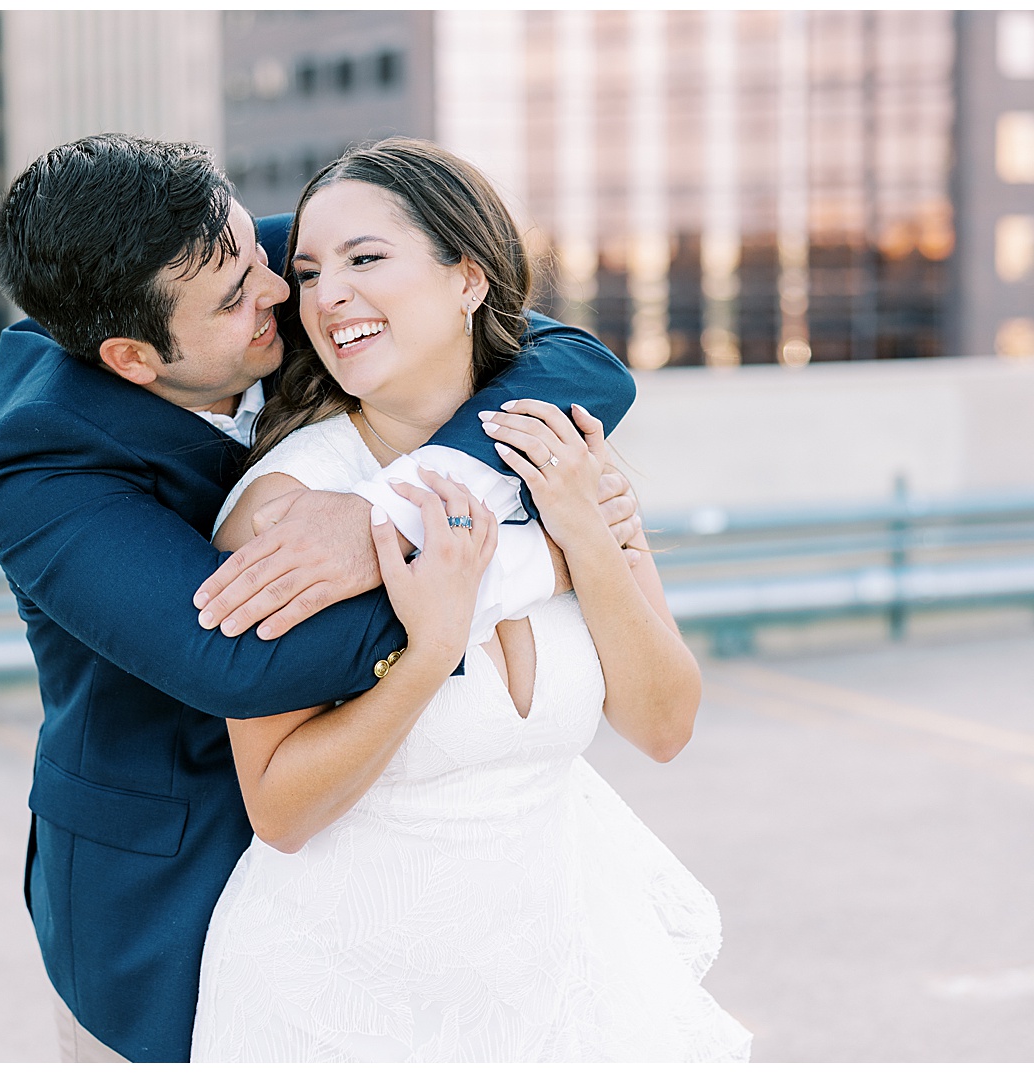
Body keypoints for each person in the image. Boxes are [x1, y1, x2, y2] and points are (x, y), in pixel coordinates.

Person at [0, 133, 643, 1062]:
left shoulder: (225, 259)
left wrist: (387, 506)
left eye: (262, 255)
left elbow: (569, 355)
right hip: (167, 891)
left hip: (386, 865)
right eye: (241, 294)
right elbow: (245, 658)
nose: (286, 294)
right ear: (132, 357)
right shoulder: (41, 471)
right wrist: (540, 558)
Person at [190, 138, 752, 1062]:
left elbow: (662, 725)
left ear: (469, 279)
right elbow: (281, 810)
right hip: (345, 1000)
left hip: (564, 977)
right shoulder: (289, 509)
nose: (327, 295)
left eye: (366, 258)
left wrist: (587, 541)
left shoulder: (563, 455)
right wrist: (429, 647)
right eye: (310, 272)